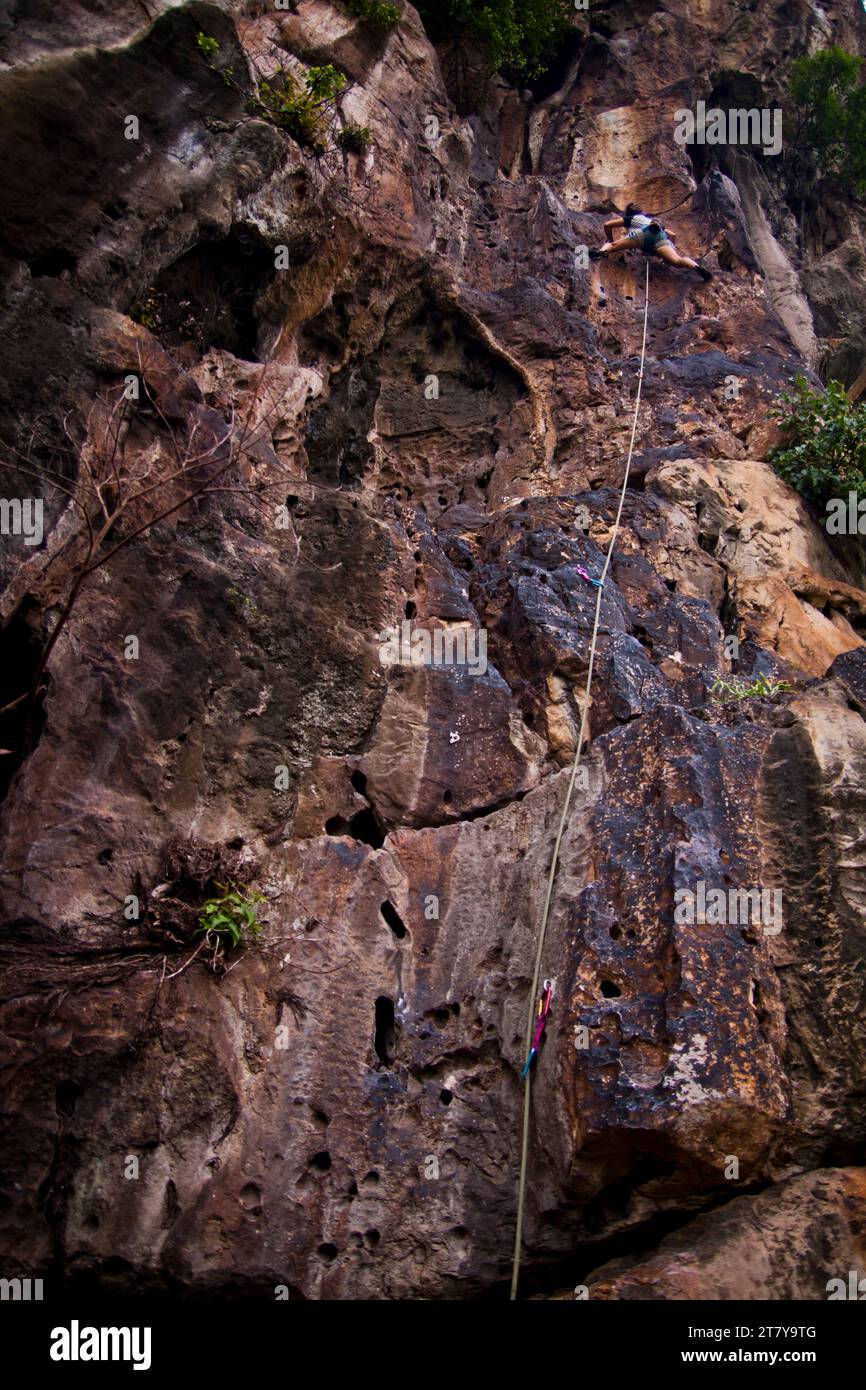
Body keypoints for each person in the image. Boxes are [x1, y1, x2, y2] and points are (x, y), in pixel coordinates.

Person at [589, 203, 712, 279]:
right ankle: (695, 266)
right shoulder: (650, 220)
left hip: (643, 234)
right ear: (642, 212)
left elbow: (607, 225)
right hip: (660, 236)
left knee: (613, 246)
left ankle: (601, 252)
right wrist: (669, 250)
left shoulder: (632, 218)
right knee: (677, 260)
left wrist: (611, 240)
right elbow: (672, 234)